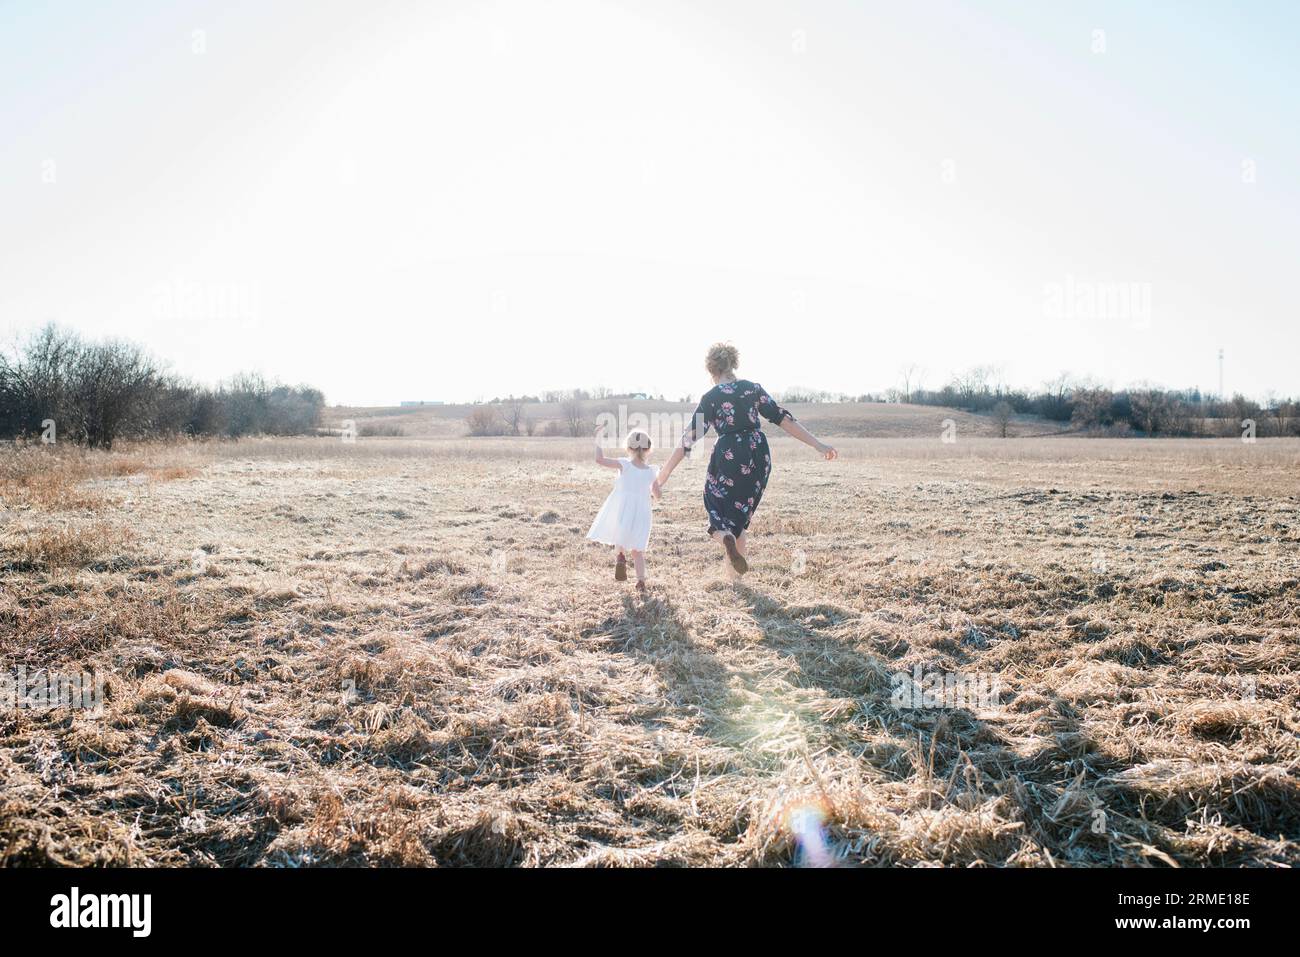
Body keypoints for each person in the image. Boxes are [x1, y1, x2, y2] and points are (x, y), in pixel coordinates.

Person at [654, 343, 836, 575]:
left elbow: (689, 438)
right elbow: (783, 419)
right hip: (758, 454)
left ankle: (725, 538)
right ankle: (736, 579)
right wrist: (818, 445)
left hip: (730, 453)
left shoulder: (711, 397)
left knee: (717, 510)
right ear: (734, 364)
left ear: (711, 370)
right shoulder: (752, 389)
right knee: (739, 515)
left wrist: (664, 474)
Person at [587, 428, 660, 591]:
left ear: (629, 447)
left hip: (624, 508)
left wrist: (598, 441)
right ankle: (641, 580)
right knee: (638, 550)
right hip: (642, 513)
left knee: (620, 534)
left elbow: (600, 459)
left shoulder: (624, 464)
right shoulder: (651, 471)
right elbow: (658, 494)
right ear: (648, 449)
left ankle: (620, 556)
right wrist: (655, 484)